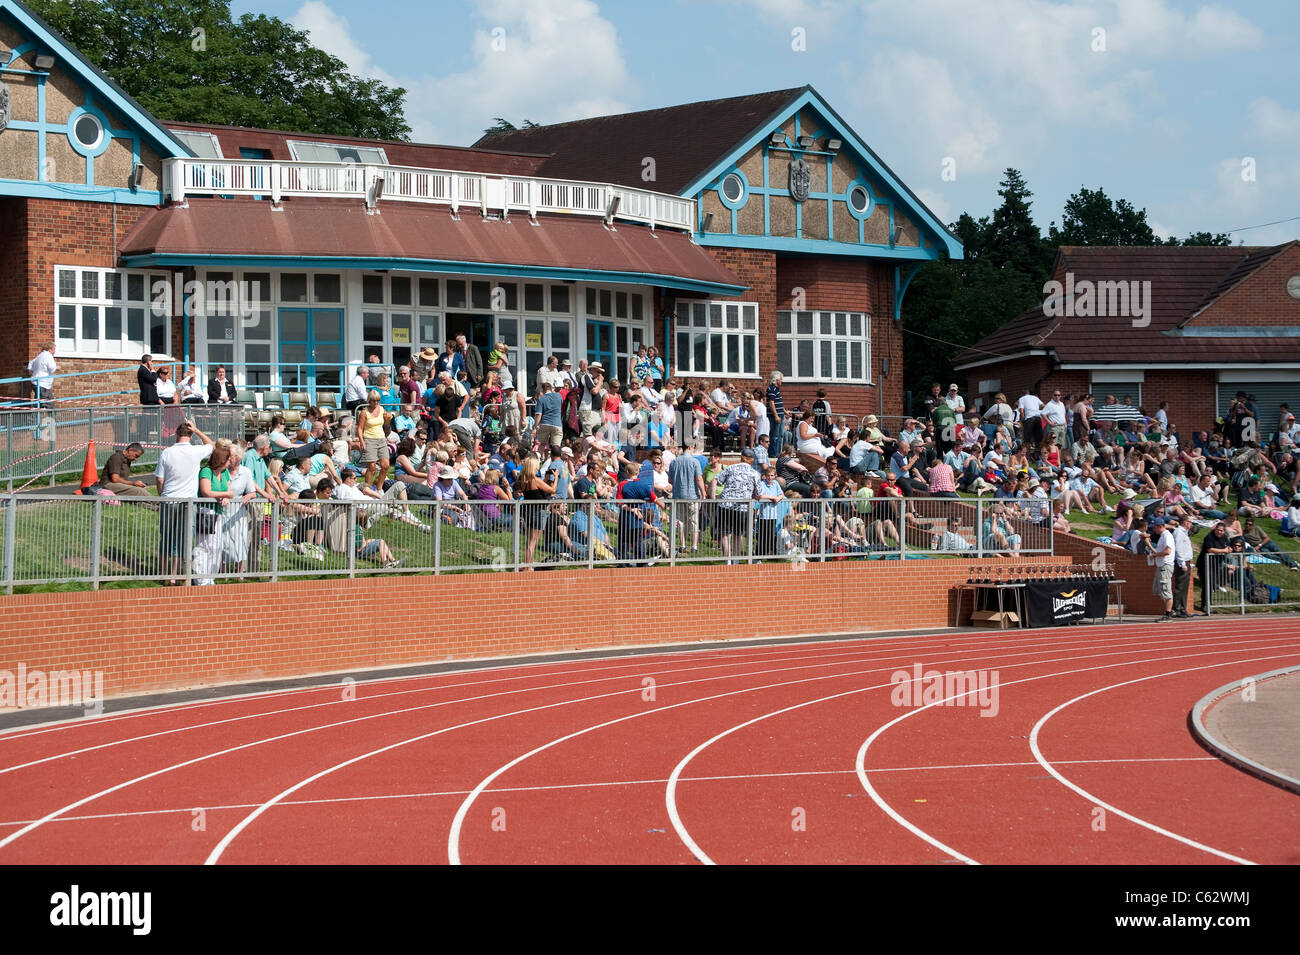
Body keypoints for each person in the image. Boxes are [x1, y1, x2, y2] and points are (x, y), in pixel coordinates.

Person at [154, 420, 215, 585]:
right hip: (188, 502)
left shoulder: (166, 452)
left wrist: (162, 496)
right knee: (181, 539)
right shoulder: (195, 451)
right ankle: (174, 575)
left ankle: (163, 573)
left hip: (168, 499)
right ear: (191, 435)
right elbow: (211, 445)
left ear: (176, 434)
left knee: (166, 537)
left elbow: (160, 479)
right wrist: (197, 430)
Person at [518, 456, 557, 570]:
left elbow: (537, 491)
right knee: (533, 542)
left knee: (530, 541)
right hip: (538, 512)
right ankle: (528, 567)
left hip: (528, 511)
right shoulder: (535, 480)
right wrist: (555, 478)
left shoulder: (524, 480)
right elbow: (552, 490)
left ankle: (528, 565)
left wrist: (546, 480)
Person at [668, 444, 706, 552]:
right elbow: (699, 479)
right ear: (690, 447)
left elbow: (670, 481)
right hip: (692, 496)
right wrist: (703, 493)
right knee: (694, 521)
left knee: (681, 521)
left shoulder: (674, 462)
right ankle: (694, 546)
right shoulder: (695, 462)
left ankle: (682, 545)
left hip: (678, 496)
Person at [356, 389, 393, 490]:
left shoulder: (381, 409)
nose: (376, 403)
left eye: (377, 400)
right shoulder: (364, 412)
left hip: (381, 439)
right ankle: (367, 489)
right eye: (373, 401)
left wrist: (388, 418)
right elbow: (359, 428)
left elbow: (385, 423)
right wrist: (361, 441)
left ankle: (379, 488)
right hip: (369, 439)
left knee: (385, 465)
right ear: (369, 400)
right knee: (372, 467)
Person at [1151, 520, 1176, 620]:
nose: (1154, 529)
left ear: (1160, 526)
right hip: (1162, 565)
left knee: (1165, 589)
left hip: (1165, 565)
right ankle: (1169, 611)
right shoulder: (1163, 536)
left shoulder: (1166, 535)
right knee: (1160, 590)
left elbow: (1167, 551)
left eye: (1155, 527)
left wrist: (1156, 555)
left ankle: (1168, 613)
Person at [1171, 514, 1195, 617]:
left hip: (1187, 562)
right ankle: (1177, 609)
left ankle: (1183, 608)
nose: (1191, 524)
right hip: (1182, 563)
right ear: (1185, 522)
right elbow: (1178, 549)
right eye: (1190, 522)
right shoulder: (1179, 532)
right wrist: (1182, 563)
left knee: (1184, 587)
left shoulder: (1184, 533)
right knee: (1180, 586)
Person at [27, 342, 57, 407]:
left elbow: (31, 363)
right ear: (49, 349)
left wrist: (30, 370)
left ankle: (52, 416)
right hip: (43, 383)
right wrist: (56, 367)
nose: (54, 352)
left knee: (49, 403)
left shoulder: (40, 355)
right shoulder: (48, 355)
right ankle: (32, 417)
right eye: (54, 349)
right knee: (41, 403)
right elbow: (52, 368)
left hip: (38, 382)